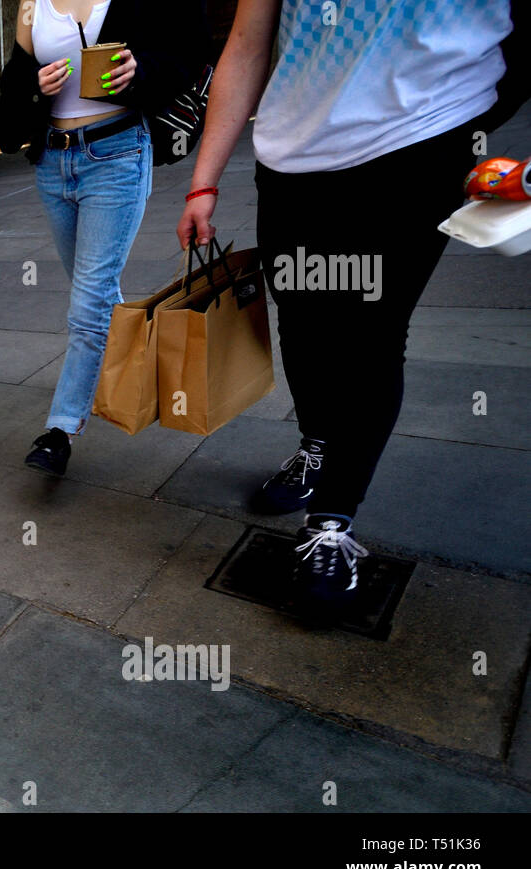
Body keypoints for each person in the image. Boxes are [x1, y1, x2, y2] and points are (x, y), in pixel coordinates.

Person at [176, 0, 523, 612]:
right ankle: (317, 445)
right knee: (302, 320)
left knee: (371, 333)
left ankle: (331, 522)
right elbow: (248, 43)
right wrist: (204, 180)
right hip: (291, 154)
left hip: (421, 141)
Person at [1, 0, 207, 476]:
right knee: (94, 293)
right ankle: (151, 366)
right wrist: (35, 86)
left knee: (88, 301)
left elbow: (189, 53)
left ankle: (60, 430)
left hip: (116, 155)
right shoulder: (32, 5)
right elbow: (13, 82)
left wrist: (140, 69)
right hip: (53, 162)